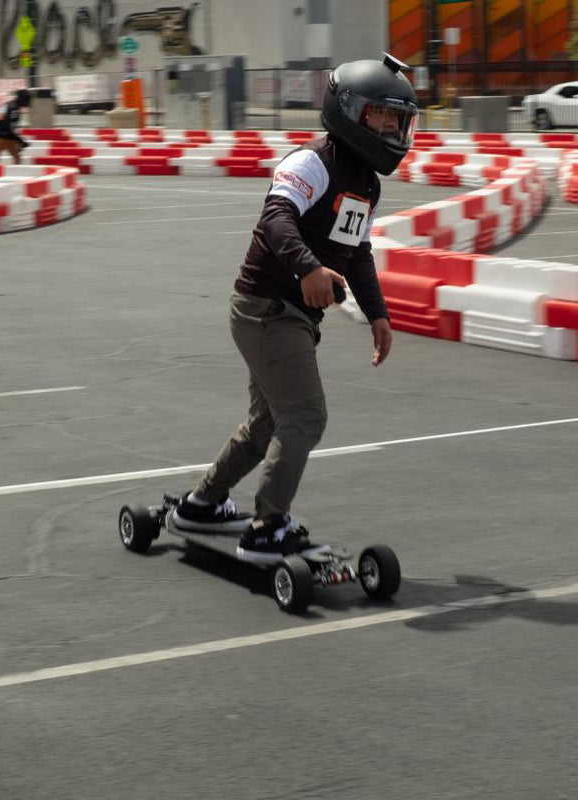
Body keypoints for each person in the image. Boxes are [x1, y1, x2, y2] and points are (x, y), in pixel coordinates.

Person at [169, 54, 415, 559]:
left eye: (399, 118)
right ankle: (268, 526)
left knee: (268, 422)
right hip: (266, 306)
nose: (391, 128)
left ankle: (201, 503)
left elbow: (357, 251)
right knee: (304, 415)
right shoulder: (312, 163)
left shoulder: (367, 183)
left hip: (291, 315)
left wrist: (378, 314)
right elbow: (275, 219)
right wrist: (307, 268)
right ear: (347, 111)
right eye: (381, 115)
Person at [0, 89, 32, 164]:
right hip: (5, 137)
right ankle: (17, 172)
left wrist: (19, 141)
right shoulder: (14, 109)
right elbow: (10, 128)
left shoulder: (8, 104)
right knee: (17, 158)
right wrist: (20, 141)